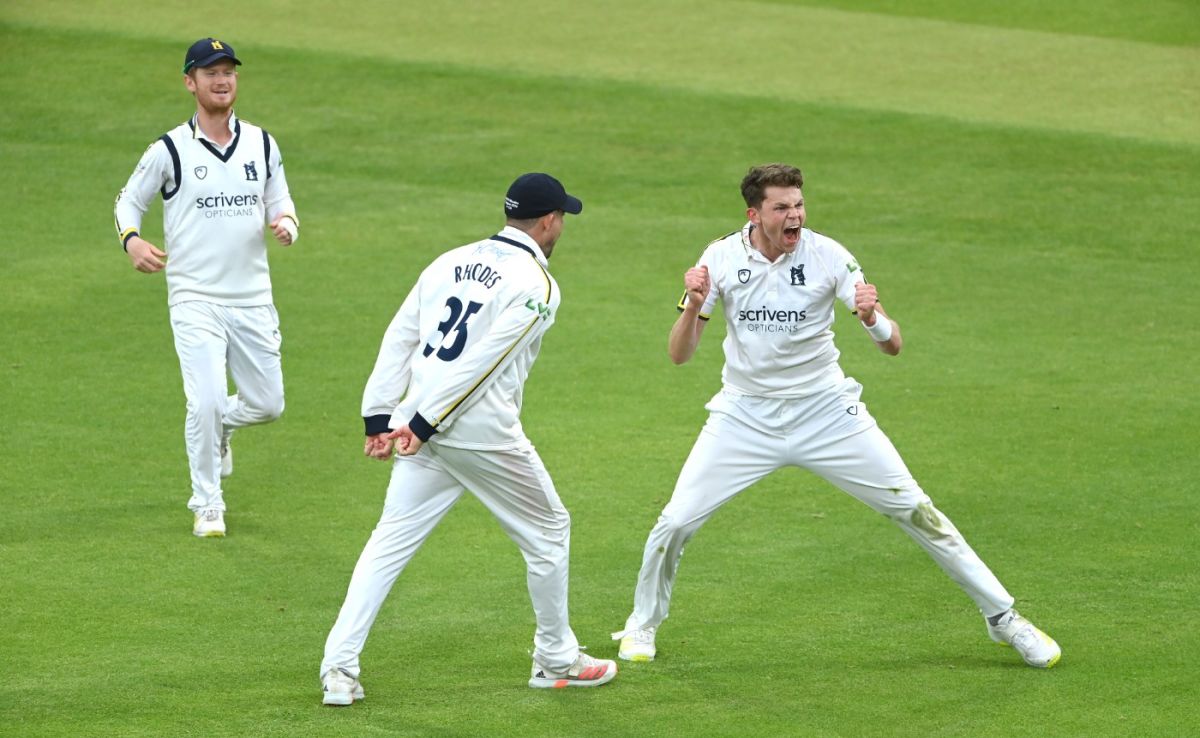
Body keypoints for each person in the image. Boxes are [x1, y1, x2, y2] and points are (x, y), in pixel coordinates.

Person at [612, 163, 1060, 669]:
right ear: (754, 214)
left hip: (828, 413)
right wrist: (693, 306)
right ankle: (641, 625)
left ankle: (1004, 619)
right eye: (781, 208)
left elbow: (893, 344)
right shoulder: (718, 258)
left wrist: (871, 319)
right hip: (745, 418)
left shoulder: (830, 256)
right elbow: (679, 354)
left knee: (916, 509)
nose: (794, 216)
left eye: (799, 205)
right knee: (674, 523)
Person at [319, 173, 617, 706]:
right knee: (550, 530)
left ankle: (338, 669)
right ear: (549, 221)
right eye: (562, 219)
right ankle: (555, 659)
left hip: (419, 422)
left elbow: (400, 335)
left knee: (389, 543)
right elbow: (485, 363)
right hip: (471, 431)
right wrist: (427, 422)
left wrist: (379, 416)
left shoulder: (448, 260)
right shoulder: (539, 284)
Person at [113, 38, 299, 538]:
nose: (221, 80)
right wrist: (132, 242)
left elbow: (281, 202)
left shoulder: (262, 143)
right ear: (189, 82)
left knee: (268, 404)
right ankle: (208, 502)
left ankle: (224, 430)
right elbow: (128, 202)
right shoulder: (169, 149)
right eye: (209, 72)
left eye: (228, 72)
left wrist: (286, 225)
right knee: (206, 401)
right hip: (194, 298)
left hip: (253, 297)